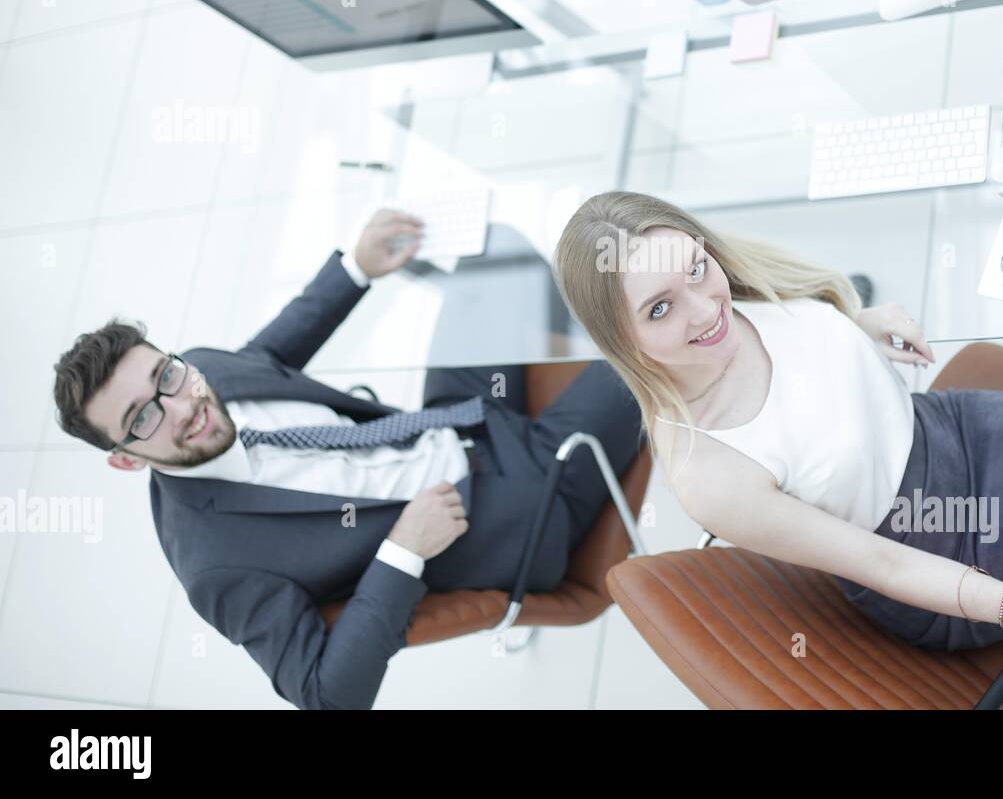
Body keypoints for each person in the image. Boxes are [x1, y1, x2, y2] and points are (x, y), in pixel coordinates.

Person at [552, 190, 1003, 666]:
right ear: (622, 340)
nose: (704, 309)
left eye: (695, 268)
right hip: (936, 547)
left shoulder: (735, 285)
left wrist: (859, 325)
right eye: (659, 309)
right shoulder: (709, 472)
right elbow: (884, 567)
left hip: (959, 432)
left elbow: (797, 340)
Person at [51, 208, 642, 710]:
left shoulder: (199, 371)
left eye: (166, 376)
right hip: (514, 504)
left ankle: (591, 357)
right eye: (142, 418)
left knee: (496, 248)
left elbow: (262, 357)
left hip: (452, 418)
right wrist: (403, 550)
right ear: (126, 461)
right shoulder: (216, 568)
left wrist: (356, 268)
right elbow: (327, 695)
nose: (183, 407)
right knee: (641, 338)